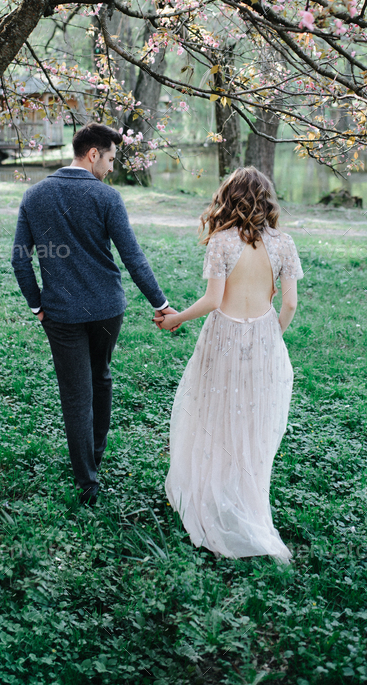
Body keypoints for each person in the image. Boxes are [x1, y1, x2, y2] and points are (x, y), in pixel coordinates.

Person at [11, 122, 175, 506]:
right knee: (100, 377)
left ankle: (87, 481)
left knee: (76, 395)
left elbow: (20, 261)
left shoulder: (33, 197)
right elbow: (132, 256)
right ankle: (95, 456)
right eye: (110, 159)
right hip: (106, 310)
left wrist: (38, 306)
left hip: (61, 315)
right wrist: (160, 303)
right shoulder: (107, 198)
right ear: (92, 154)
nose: (111, 168)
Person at [156, 167, 303, 561]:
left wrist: (174, 318)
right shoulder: (284, 244)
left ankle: (214, 491)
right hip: (263, 337)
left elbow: (212, 302)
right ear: (267, 199)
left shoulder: (221, 243)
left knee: (213, 413)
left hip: (222, 337)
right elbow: (289, 304)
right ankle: (245, 494)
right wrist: (272, 334)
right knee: (252, 420)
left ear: (229, 198)